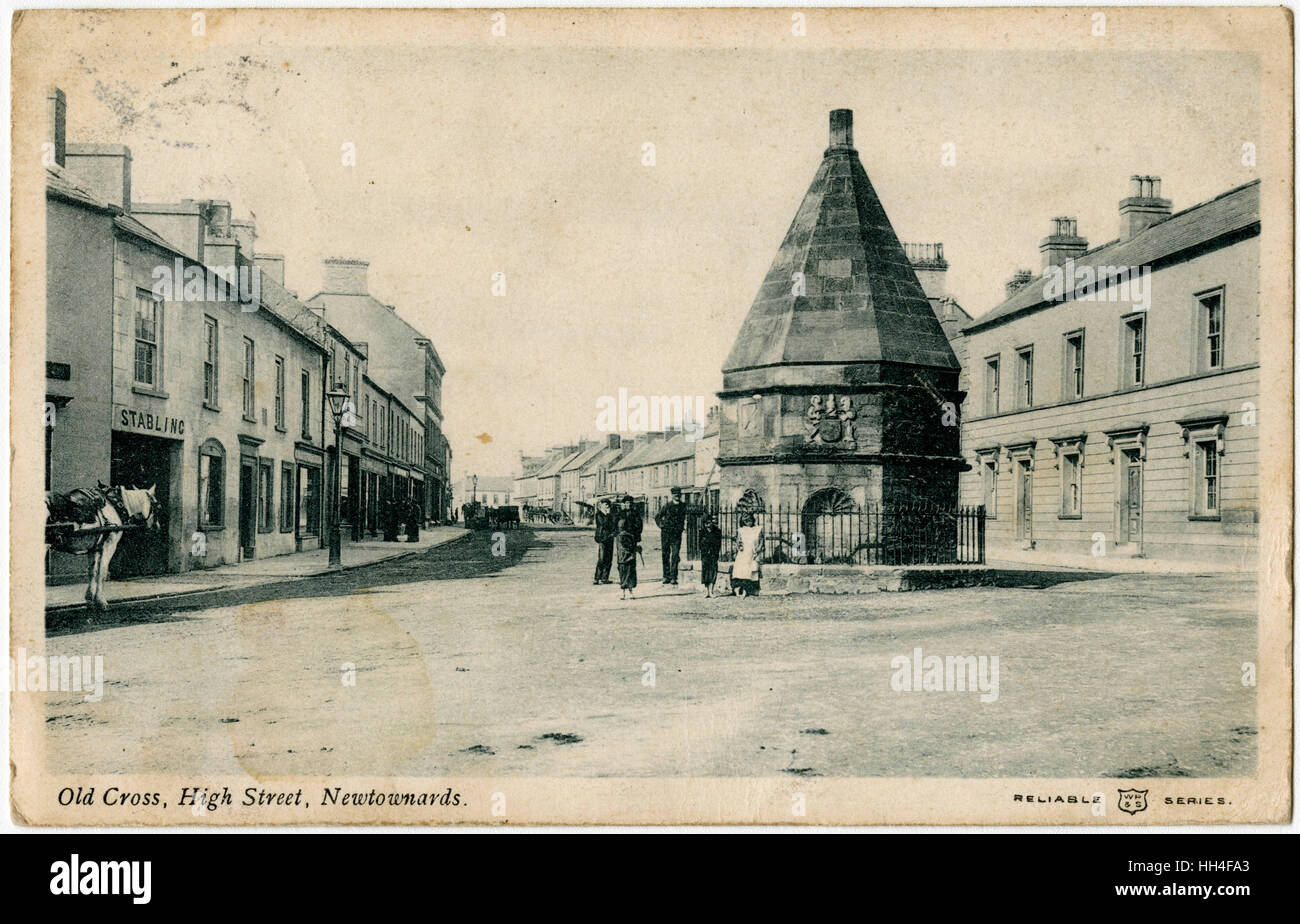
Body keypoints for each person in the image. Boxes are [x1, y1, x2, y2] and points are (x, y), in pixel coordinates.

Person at [654, 486, 686, 584]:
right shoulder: (667, 506)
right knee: (665, 554)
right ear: (672, 495)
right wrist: (662, 526)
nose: (677, 496)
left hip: (676, 534)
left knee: (675, 555)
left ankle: (673, 577)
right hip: (666, 533)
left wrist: (682, 527)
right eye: (675, 494)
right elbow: (657, 517)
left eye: (679, 494)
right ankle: (666, 576)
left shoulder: (683, 506)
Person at [615, 495, 642, 600]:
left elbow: (639, 527)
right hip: (621, 542)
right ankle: (623, 590)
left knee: (631, 564)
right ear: (623, 504)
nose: (628, 504)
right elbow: (614, 527)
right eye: (626, 503)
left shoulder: (635, 514)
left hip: (632, 541)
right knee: (622, 564)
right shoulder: (619, 514)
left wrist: (636, 537)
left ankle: (630, 589)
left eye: (630, 503)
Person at [731, 510, 763, 597]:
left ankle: (746, 590)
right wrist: (739, 547)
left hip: (752, 553)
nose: (748, 522)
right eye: (746, 521)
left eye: (749, 520)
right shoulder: (741, 530)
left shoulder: (757, 529)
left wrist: (758, 550)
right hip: (743, 554)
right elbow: (738, 541)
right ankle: (738, 588)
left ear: (752, 520)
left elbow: (761, 541)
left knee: (750, 571)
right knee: (740, 571)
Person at [698, 512, 723, 598]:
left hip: (713, 554)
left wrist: (714, 552)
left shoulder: (717, 531)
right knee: (705, 571)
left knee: (713, 571)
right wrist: (704, 551)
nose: (707, 525)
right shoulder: (702, 532)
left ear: (712, 522)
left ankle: (711, 591)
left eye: (709, 523)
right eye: (705, 523)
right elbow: (700, 544)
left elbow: (718, 544)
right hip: (705, 555)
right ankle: (706, 591)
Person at [593, 498, 616, 585]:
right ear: (601, 505)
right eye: (605, 504)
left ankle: (605, 577)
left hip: (610, 537)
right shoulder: (599, 514)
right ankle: (597, 578)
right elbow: (603, 524)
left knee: (609, 558)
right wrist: (608, 515)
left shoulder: (611, 514)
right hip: (602, 538)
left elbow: (614, 523)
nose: (607, 505)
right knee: (602, 558)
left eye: (608, 504)